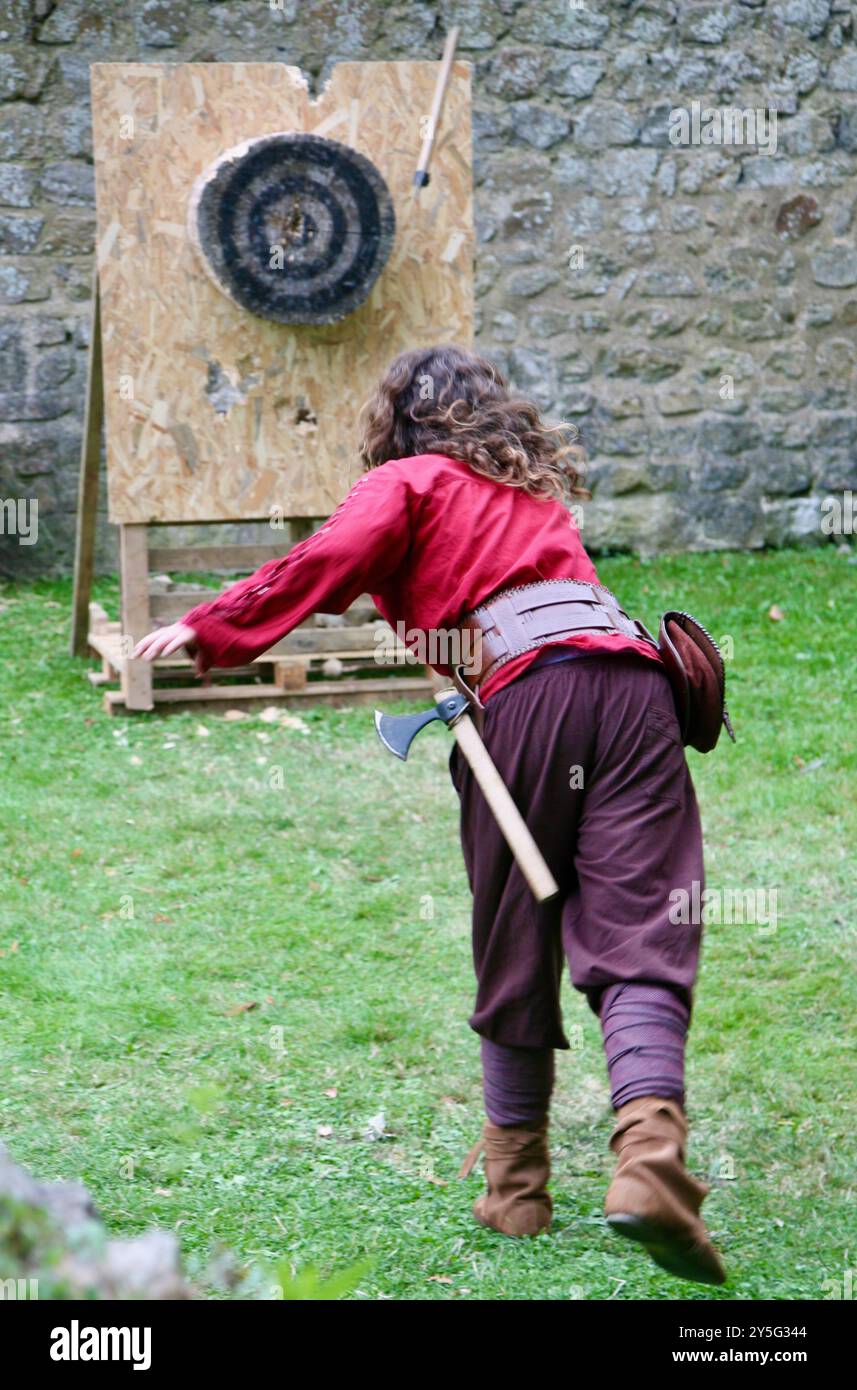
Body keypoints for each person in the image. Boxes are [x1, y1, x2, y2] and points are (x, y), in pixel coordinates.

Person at [134, 344, 725, 1286]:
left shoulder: (406, 479)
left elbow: (328, 558)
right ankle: (649, 1161)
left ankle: (517, 1192)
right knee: (640, 927)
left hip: (532, 699)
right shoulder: (532, 499)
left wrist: (216, 622)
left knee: (515, 938)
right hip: (636, 686)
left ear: (396, 425)